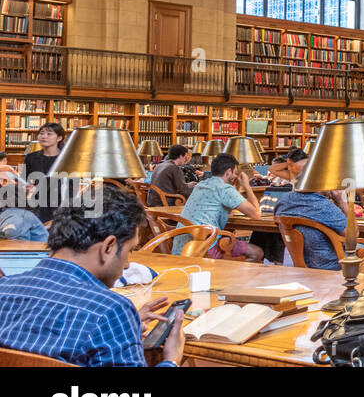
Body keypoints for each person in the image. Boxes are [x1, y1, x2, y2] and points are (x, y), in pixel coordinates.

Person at [0, 186, 185, 366]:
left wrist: (121, 329)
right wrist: (171, 360)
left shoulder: (4, 288)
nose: (127, 264)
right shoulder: (111, 310)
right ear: (108, 247)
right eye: (129, 251)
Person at [176, 153, 263, 260]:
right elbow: (256, 214)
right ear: (228, 172)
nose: (235, 176)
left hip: (182, 247)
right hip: (204, 248)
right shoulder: (225, 189)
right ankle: (230, 275)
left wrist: (236, 185)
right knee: (257, 252)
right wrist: (247, 186)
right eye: (235, 173)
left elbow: (227, 206)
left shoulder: (201, 185)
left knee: (228, 242)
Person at [273, 186, 348, 269]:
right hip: (332, 266)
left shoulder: (282, 200)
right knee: (361, 247)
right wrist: (342, 202)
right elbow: (352, 234)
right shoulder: (323, 205)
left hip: (300, 267)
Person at [23, 122, 66, 224]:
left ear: (59, 138)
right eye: (41, 133)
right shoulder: (31, 157)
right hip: (37, 206)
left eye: (49, 134)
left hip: (60, 205)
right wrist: (27, 187)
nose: (44, 136)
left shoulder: (66, 158)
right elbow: (24, 180)